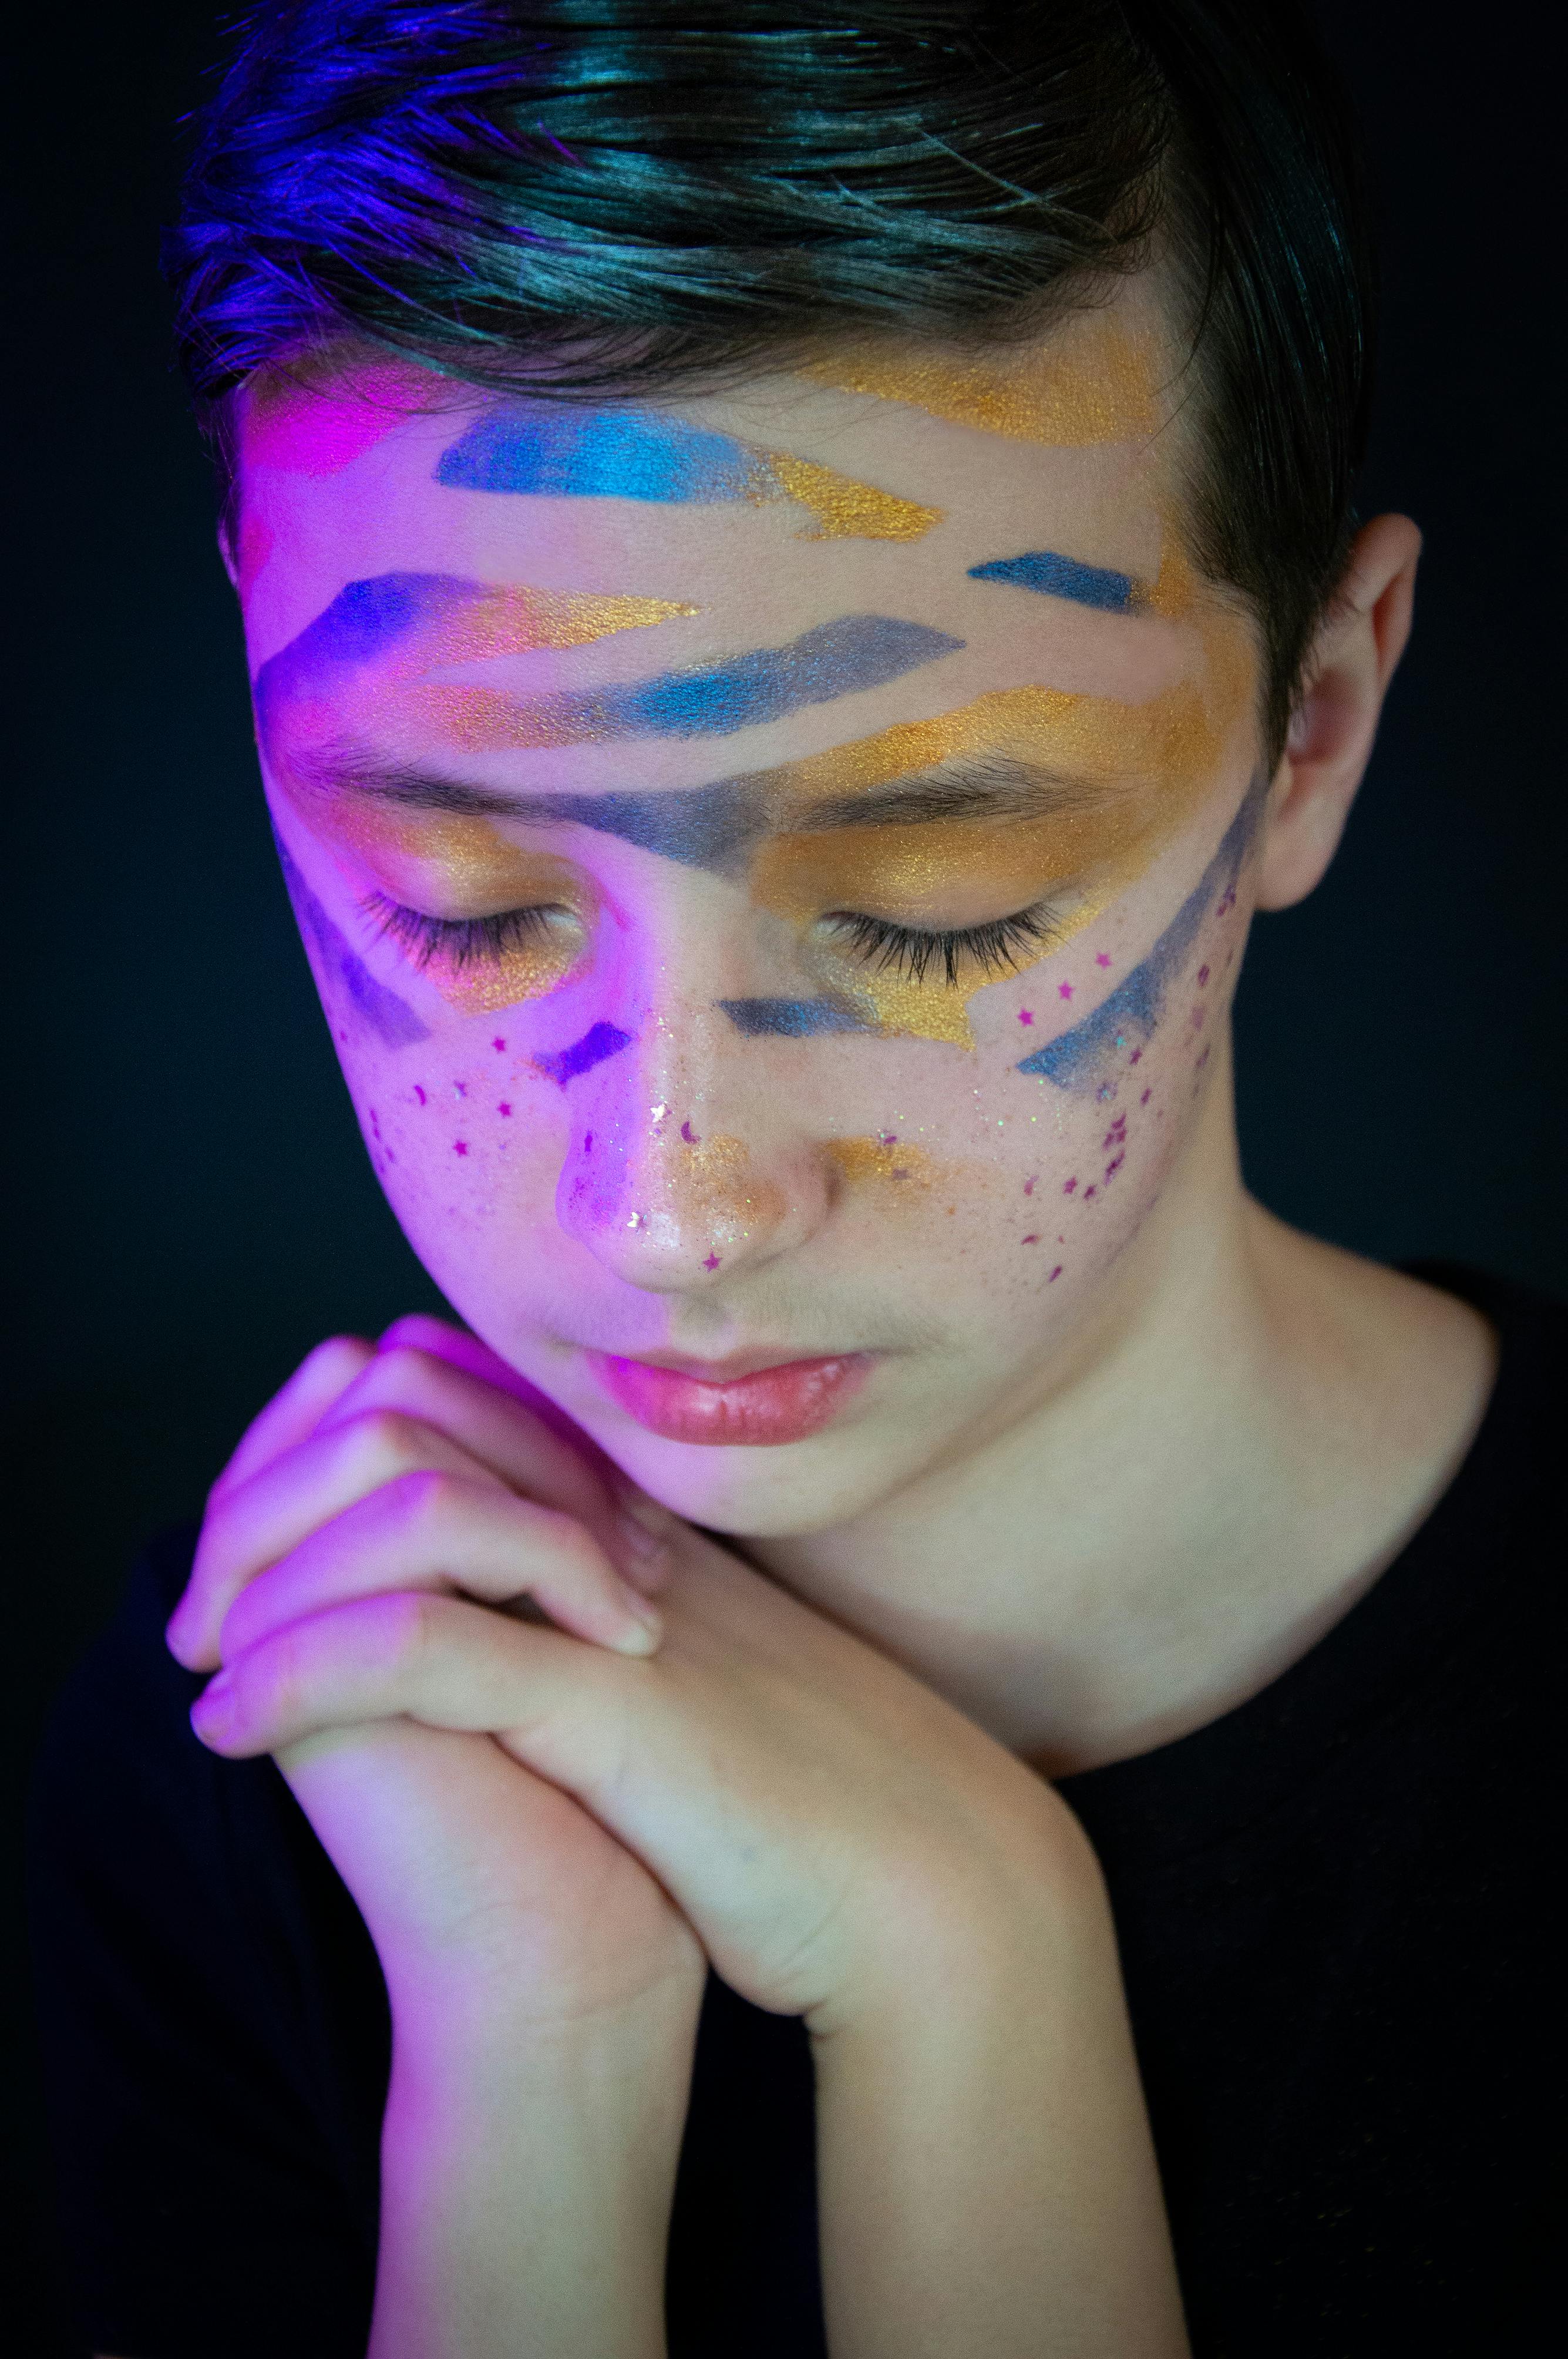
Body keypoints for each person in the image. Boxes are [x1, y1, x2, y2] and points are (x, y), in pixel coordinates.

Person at [23, 2, 1563, 2354]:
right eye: (458, 895)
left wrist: (973, 1974)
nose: (675, 1203)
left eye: (934, 913)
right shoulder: (262, 1758)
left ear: (1310, 730)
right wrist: (525, 2086)